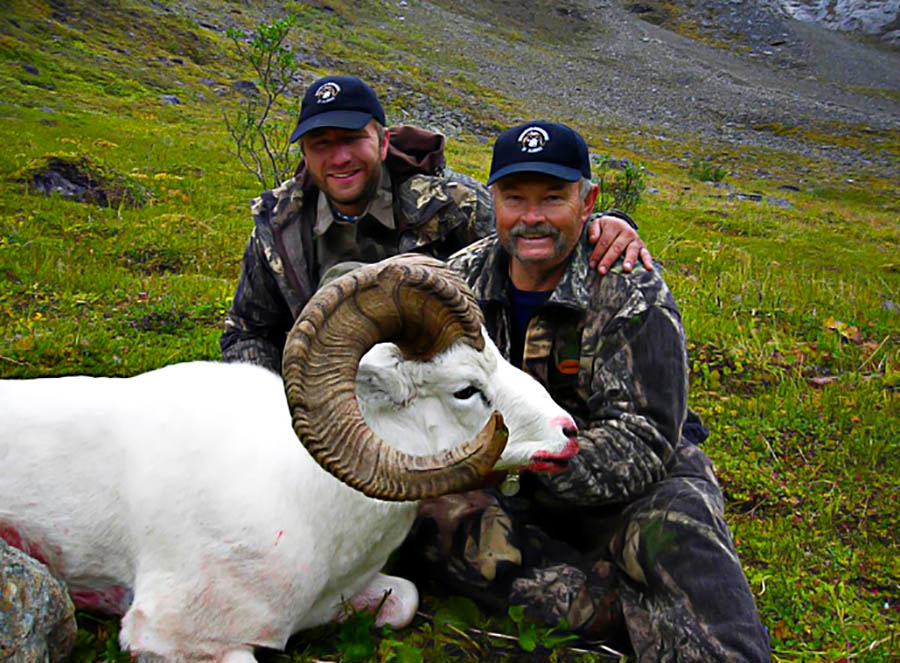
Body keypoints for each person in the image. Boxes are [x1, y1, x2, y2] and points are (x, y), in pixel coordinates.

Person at [395, 121, 771, 663]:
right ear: (492, 198)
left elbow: (646, 438)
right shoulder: (459, 283)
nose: (531, 218)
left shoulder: (629, 285)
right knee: (423, 518)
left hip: (625, 488)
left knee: (681, 535)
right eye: (515, 198)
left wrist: (530, 461)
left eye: (553, 198)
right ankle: (614, 606)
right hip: (500, 476)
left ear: (588, 199)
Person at [220, 75, 651, 373]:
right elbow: (248, 330)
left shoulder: (449, 206)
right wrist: (279, 405)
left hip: (433, 395)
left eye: (352, 139)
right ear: (305, 154)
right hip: (320, 398)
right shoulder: (278, 225)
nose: (339, 157)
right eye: (321, 144)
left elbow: (530, 233)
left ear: (384, 141)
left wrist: (609, 223)